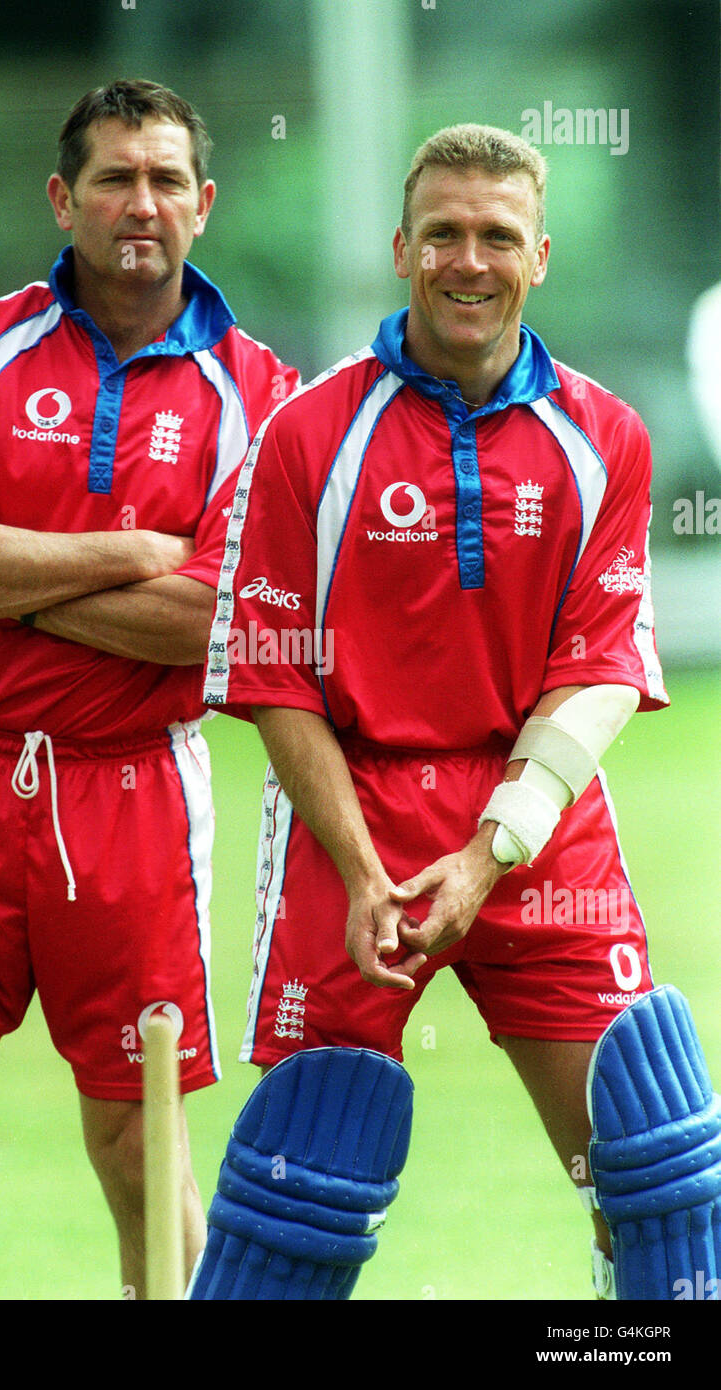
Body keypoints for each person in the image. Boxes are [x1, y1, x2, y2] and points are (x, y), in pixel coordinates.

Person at [202, 123, 671, 1297]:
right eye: (446, 234)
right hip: (350, 813)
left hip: (534, 819)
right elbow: (274, 680)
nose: (472, 260)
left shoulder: (604, 435)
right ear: (401, 248)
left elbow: (601, 667)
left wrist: (491, 849)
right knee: (300, 1193)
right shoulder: (306, 433)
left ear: (542, 255)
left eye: (498, 236)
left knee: (657, 1182)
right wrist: (366, 871)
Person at [0, 78, 298, 1300]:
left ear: (204, 204)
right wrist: (133, 552)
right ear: (64, 198)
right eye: (113, 177)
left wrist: (8, 578)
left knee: (140, 1152)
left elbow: (219, 619)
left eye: (164, 179)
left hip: (133, 799)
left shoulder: (264, 395)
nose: (139, 202)